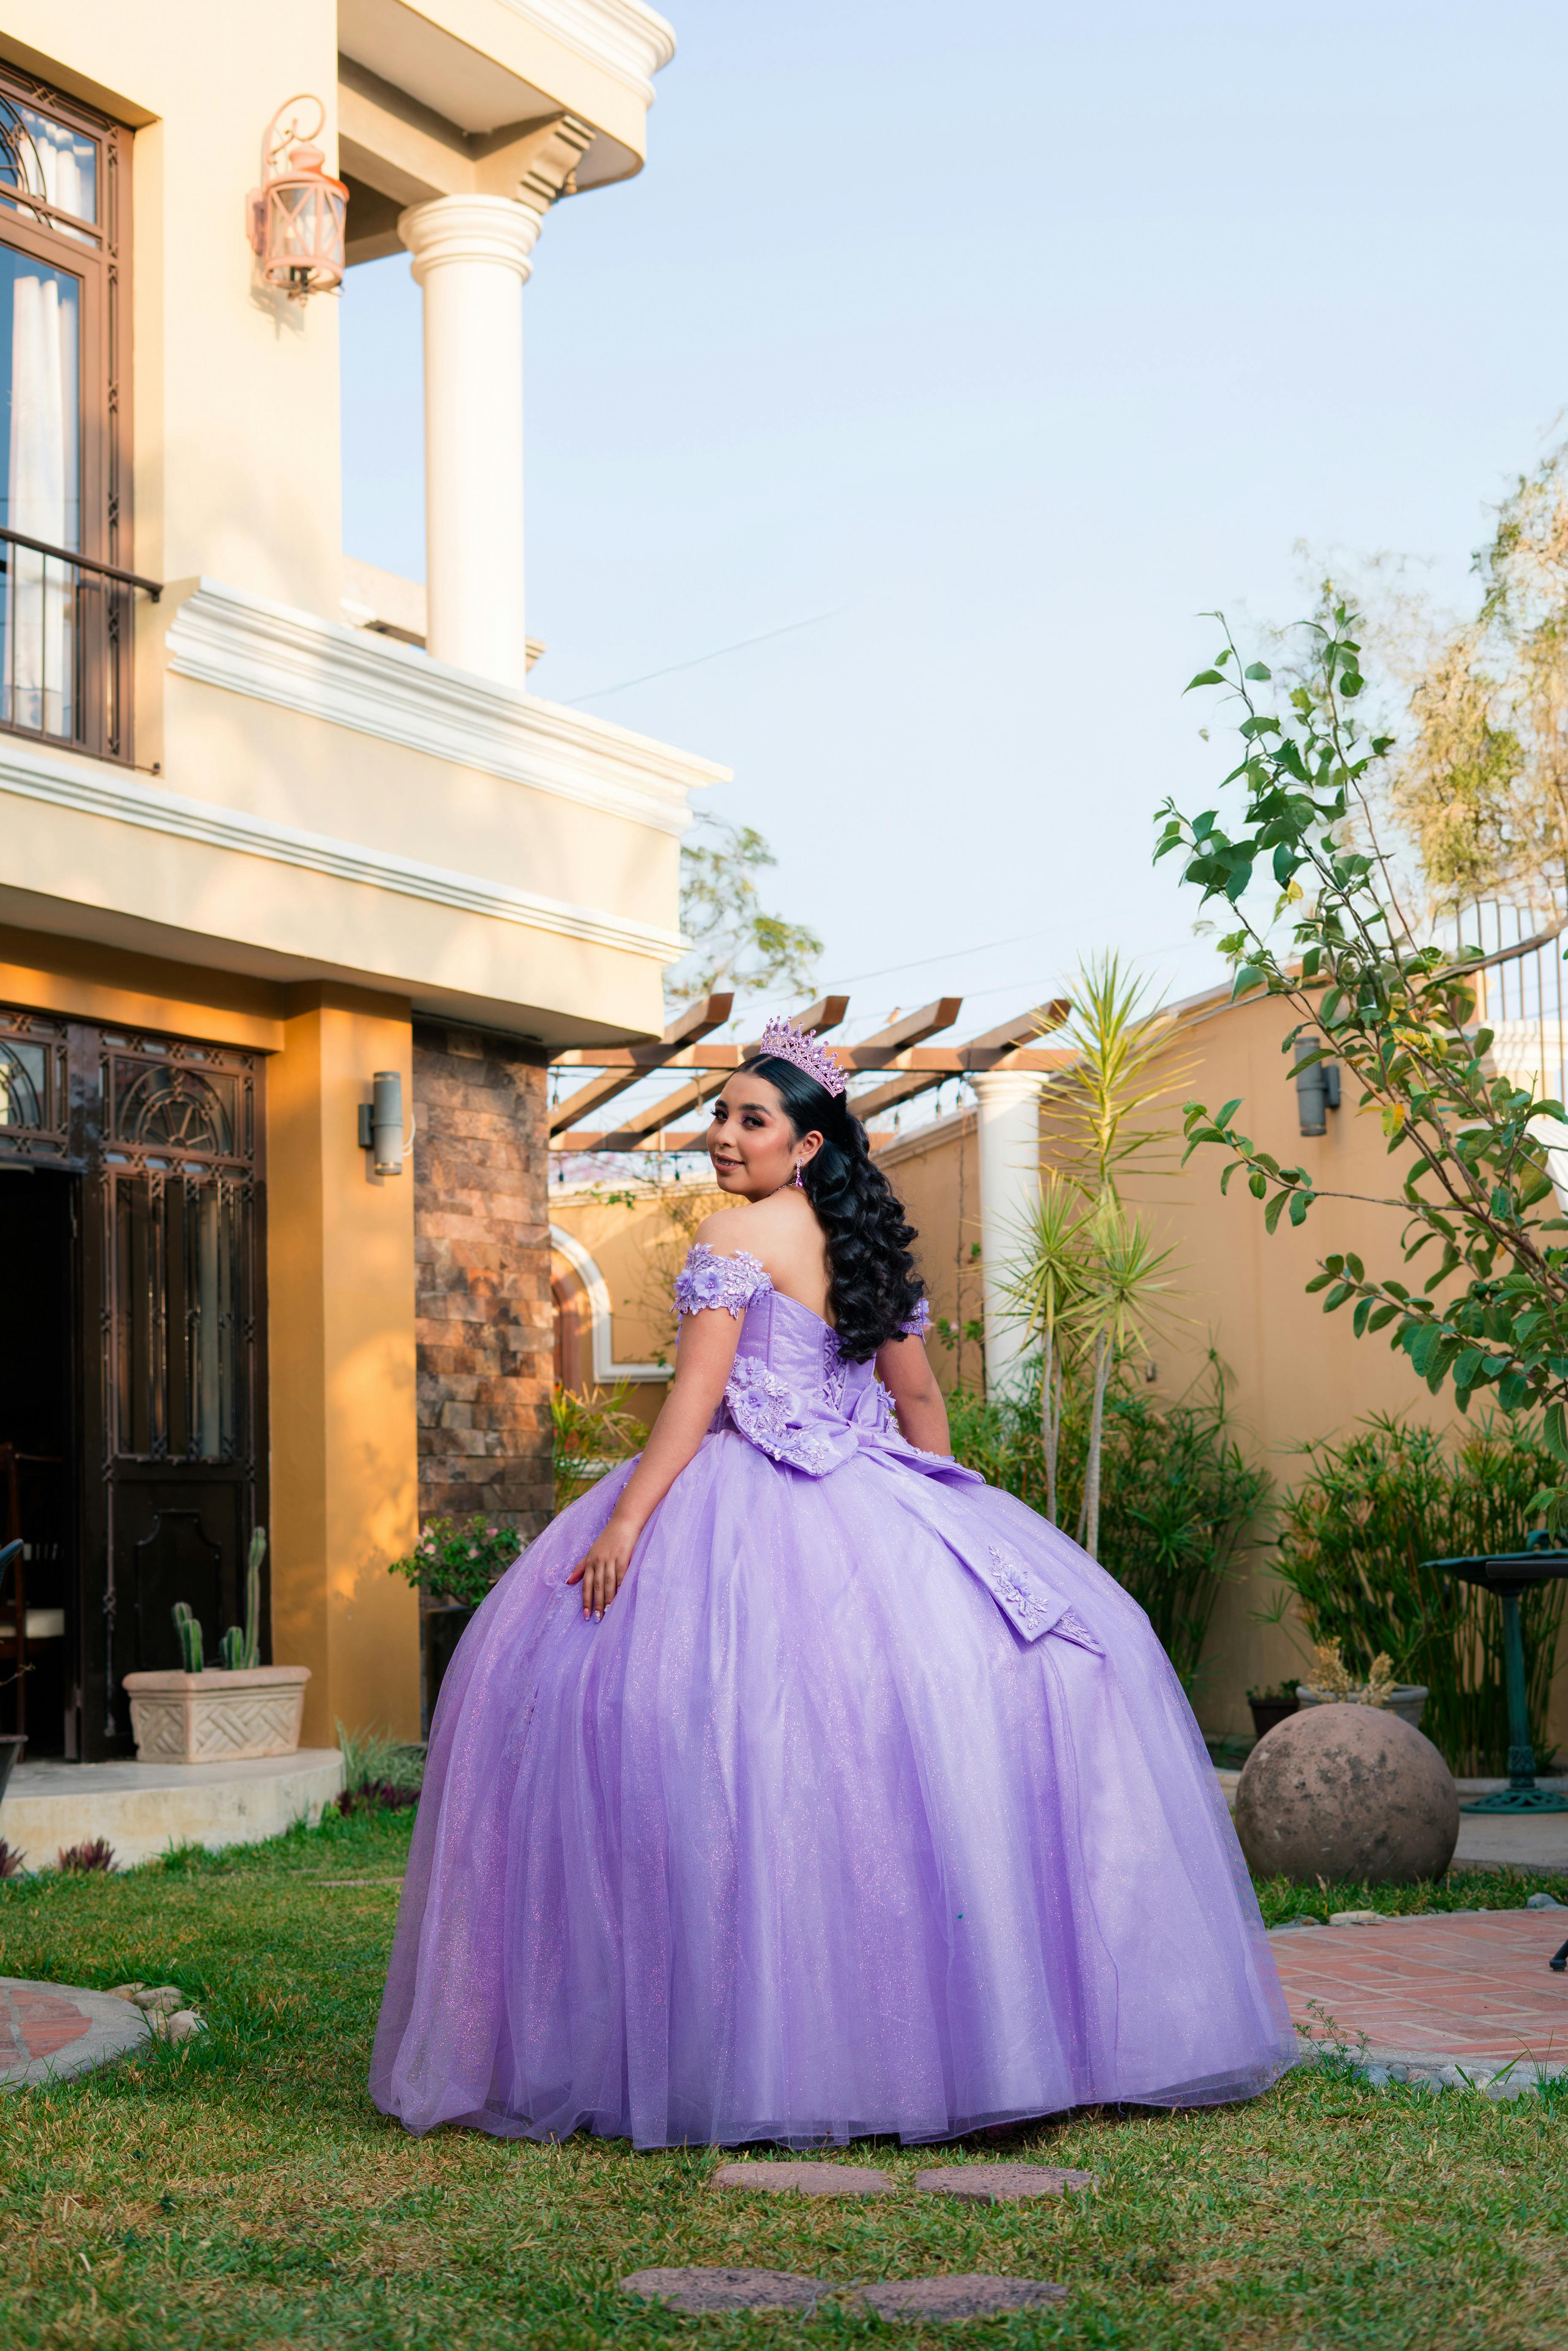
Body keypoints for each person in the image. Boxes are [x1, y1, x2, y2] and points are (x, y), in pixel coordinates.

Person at [371, 1019, 1296, 2147]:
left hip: (748, 1494)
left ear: (805, 1146)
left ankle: (747, 2041)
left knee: (725, 1745)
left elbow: (691, 1401)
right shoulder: (867, 1253)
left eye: (747, 1119)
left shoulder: (734, 1235)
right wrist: (943, 1507)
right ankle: (972, 2043)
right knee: (888, 1750)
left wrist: (622, 1523)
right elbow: (919, 1405)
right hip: (877, 1491)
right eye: (719, 1114)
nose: (720, 1136)